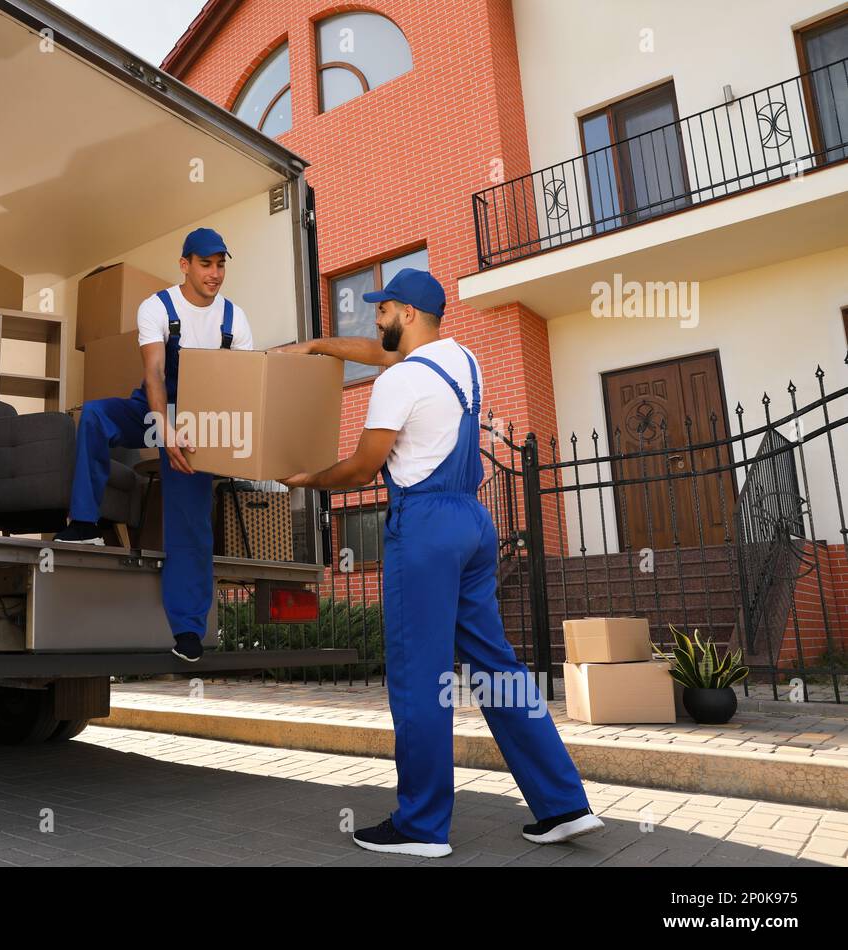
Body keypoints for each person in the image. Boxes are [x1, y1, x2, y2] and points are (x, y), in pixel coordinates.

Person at [276, 268, 603, 857]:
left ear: (404, 312)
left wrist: (307, 480)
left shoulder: (397, 383)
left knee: (419, 677)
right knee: (497, 670)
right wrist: (319, 345)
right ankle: (564, 805)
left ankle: (422, 826)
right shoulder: (461, 361)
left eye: (382, 309)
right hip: (474, 525)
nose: (374, 319)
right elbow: (379, 354)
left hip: (424, 528)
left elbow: (360, 468)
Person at [54, 228, 254, 663]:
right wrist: (163, 424)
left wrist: (221, 438)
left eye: (221, 263)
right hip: (153, 410)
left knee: (191, 519)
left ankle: (187, 630)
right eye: (206, 263)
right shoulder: (157, 307)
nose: (215, 273)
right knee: (94, 416)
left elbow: (239, 385)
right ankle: (85, 523)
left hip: (201, 420)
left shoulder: (234, 320)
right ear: (185, 265)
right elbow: (154, 371)